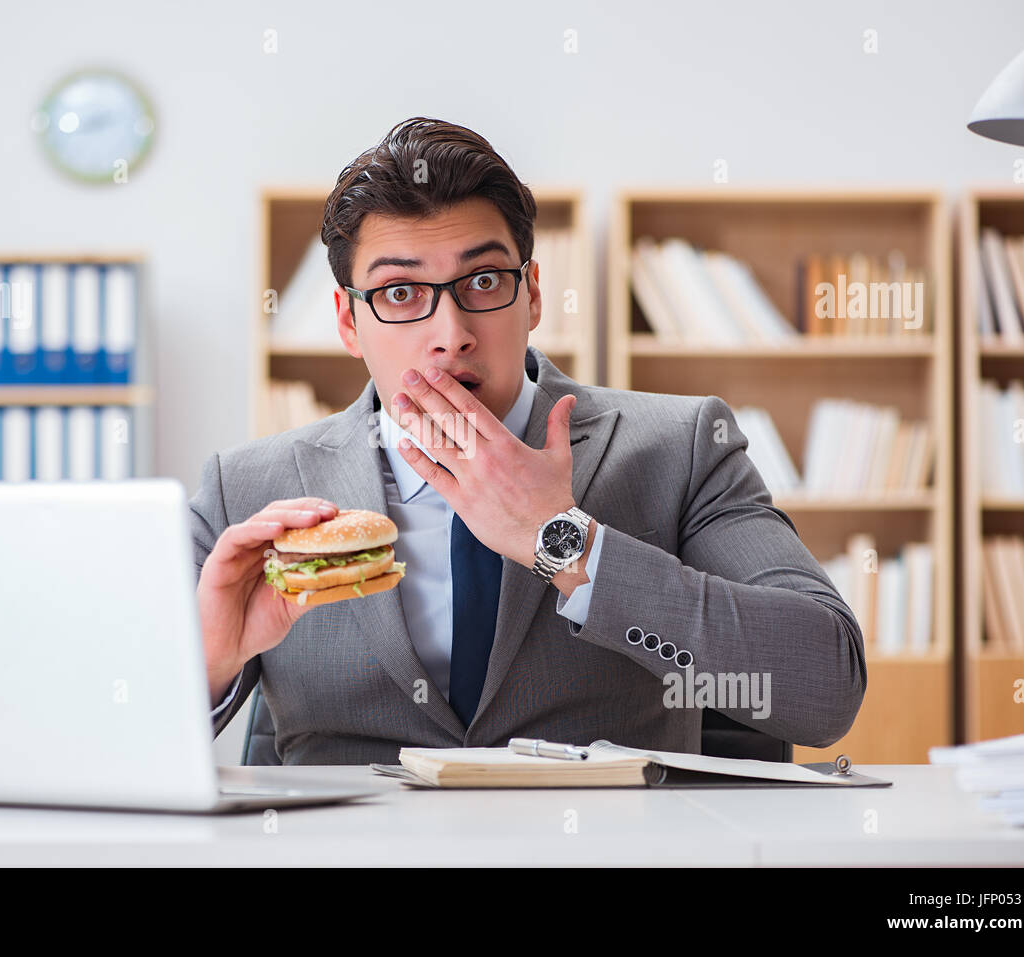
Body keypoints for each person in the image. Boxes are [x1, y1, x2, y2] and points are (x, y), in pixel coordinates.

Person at [189, 116, 866, 765]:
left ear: (533, 295)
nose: (450, 331)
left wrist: (566, 541)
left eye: (483, 281)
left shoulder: (681, 449)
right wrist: (208, 662)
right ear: (347, 320)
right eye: (399, 292)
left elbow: (825, 686)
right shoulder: (247, 489)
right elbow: (105, 728)